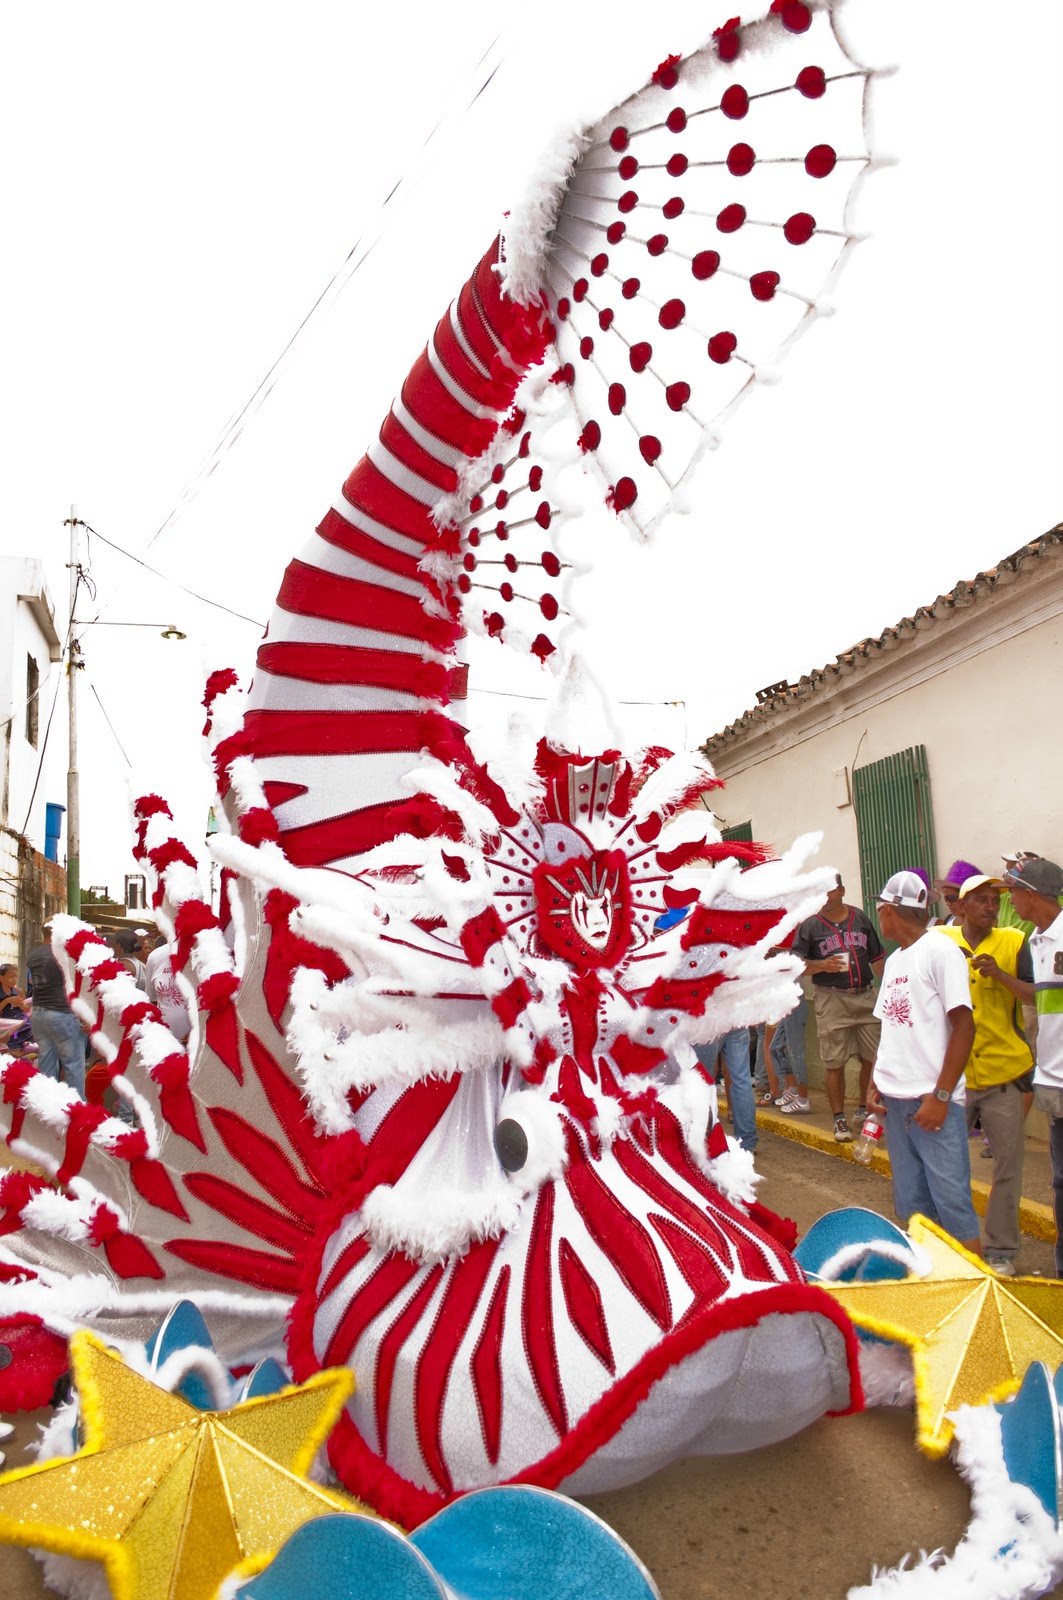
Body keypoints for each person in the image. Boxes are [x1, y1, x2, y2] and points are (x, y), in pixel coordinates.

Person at [868, 870, 980, 1255]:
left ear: (889, 910)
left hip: (931, 1103)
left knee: (952, 1204)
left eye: (880, 908)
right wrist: (875, 1083)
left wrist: (942, 1095)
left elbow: (964, 1026)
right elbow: (891, 1028)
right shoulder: (898, 959)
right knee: (915, 1206)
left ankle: (975, 1293)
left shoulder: (940, 951)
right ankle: (935, 1288)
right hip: (897, 1101)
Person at [934, 874, 1033, 1274]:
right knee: (945, 1166)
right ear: (961, 906)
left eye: (995, 901)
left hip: (1003, 1073)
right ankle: (949, 1243)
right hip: (952, 1076)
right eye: (983, 901)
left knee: (1008, 1165)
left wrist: (1001, 976)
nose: (991, 907)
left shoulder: (1013, 942)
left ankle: (1001, 1251)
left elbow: (1034, 994)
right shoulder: (939, 941)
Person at [1002, 858, 1063, 1276]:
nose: (1010, 898)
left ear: (1032, 894)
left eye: (1013, 890)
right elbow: (1043, 1003)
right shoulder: (1038, 941)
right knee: (1060, 1186)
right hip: (1053, 1079)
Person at [791, 875, 884, 1142]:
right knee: (834, 1062)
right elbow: (795, 964)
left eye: (830, 891)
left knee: (873, 1057)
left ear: (842, 890)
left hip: (865, 995)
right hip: (831, 999)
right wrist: (822, 965)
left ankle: (864, 1108)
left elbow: (877, 957)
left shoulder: (860, 918)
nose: (825, 897)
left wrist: (886, 991)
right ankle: (839, 1119)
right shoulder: (809, 926)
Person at [26, 932, 86, 1098]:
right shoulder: (62, 954)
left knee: (46, 1066)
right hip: (61, 1012)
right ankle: (78, 1111)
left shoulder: (33, 953)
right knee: (73, 1066)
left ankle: (47, 1112)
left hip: (38, 1013)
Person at [695, 1027, 757, 1154]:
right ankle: (746, 1142)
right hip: (736, 1017)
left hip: (710, 1020)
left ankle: (702, 1139)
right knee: (741, 1079)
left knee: (700, 1080)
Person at [145, 939, 191, 1043]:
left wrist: (199, 1032)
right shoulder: (156, 957)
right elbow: (152, 1000)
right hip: (165, 1043)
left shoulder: (206, 955)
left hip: (201, 1046)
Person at [930, 858, 981, 927]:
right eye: (946, 898)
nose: (948, 903)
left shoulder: (985, 925)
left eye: (952, 898)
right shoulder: (948, 921)